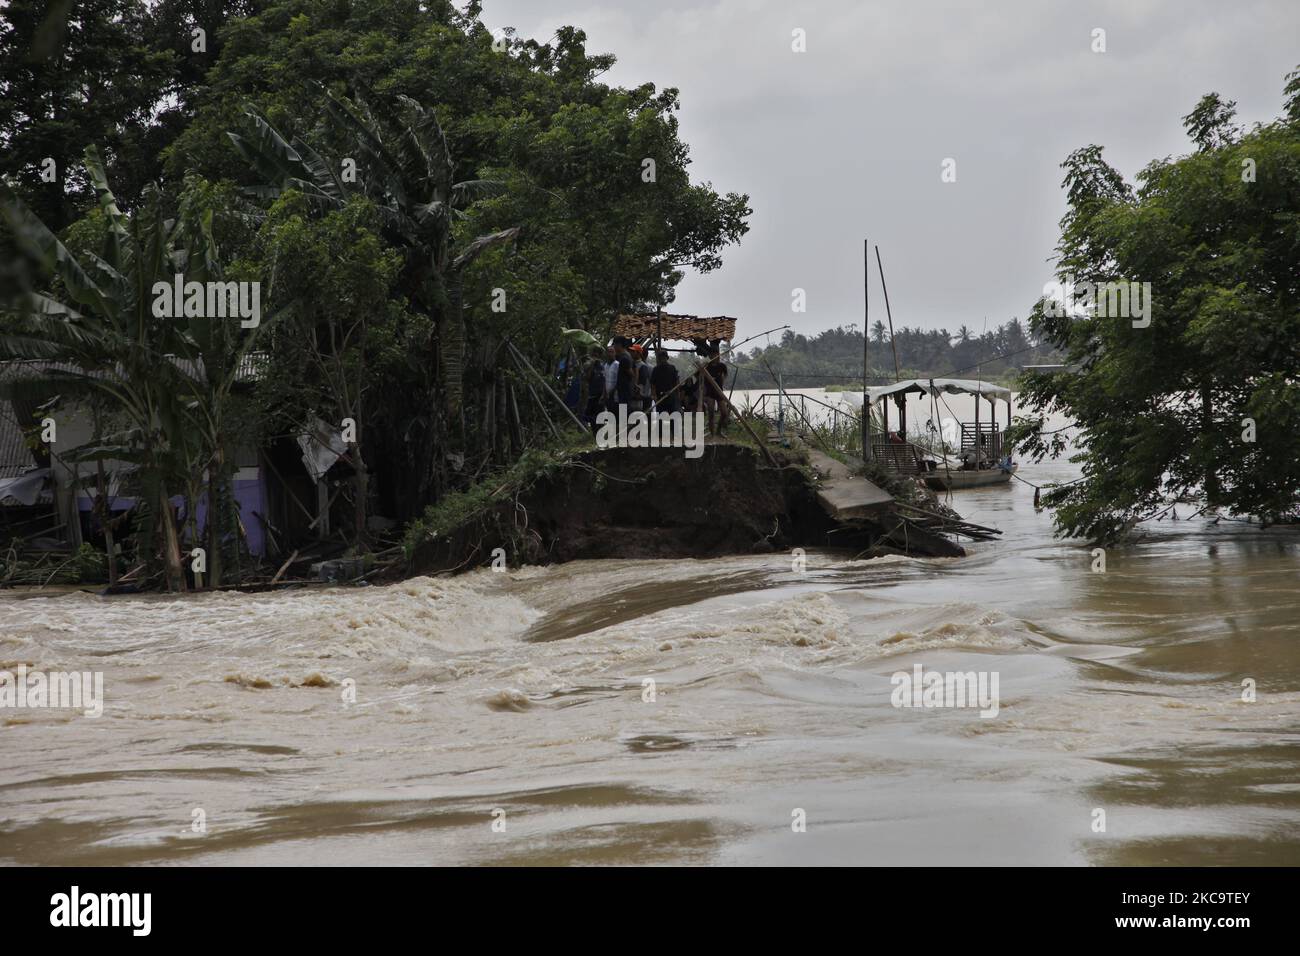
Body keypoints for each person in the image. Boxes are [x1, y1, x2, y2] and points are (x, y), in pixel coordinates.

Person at [702, 351, 729, 434]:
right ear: (710, 356)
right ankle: (712, 433)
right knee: (711, 413)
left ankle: (719, 431)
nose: (714, 356)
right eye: (712, 355)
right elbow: (700, 376)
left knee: (724, 413)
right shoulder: (707, 366)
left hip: (719, 391)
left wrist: (720, 382)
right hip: (710, 392)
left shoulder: (722, 366)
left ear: (718, 355)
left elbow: (725, 376)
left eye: (716, 354)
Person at [650, 350, 679, 415]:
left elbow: (676, 382)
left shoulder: (672, 368)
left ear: (667, 358)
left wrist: (677, 394)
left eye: (663, 357)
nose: (662, 359)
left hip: (670, 395)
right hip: (660, 396)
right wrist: (654, 395)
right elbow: (652, 384)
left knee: (672, 416)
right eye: (661, 358)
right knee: (660, 417)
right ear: (659, 359)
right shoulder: (656, 369)